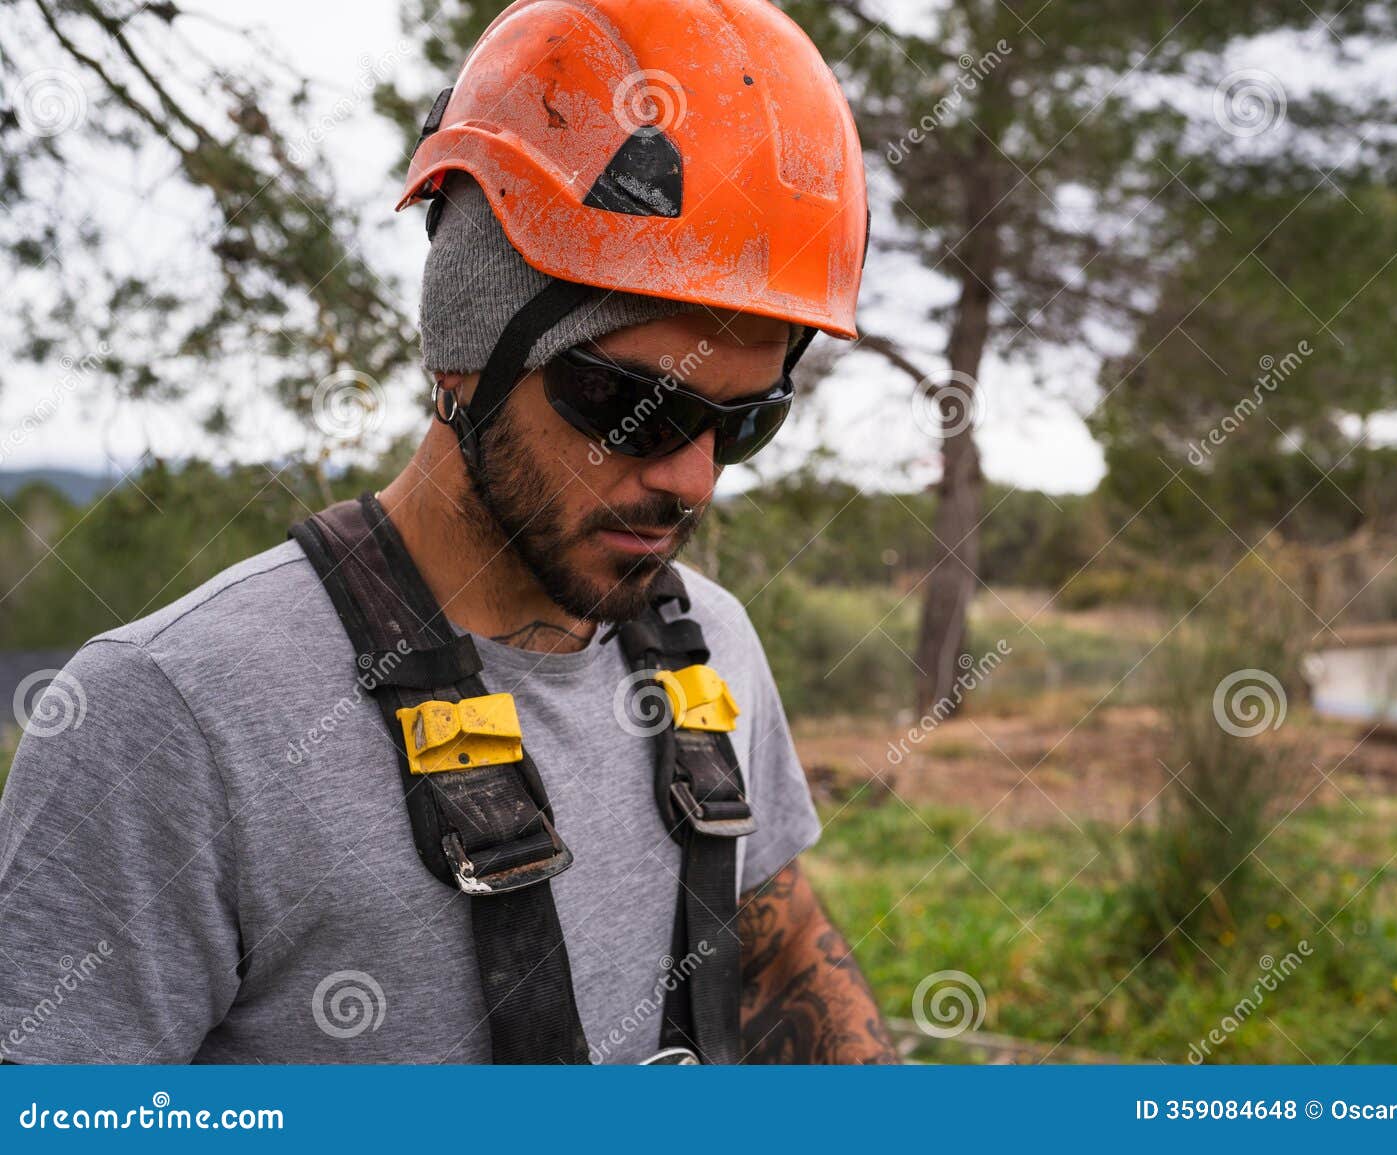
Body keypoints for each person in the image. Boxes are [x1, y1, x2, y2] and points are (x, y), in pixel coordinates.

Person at [0, 0, 894, 1064]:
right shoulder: (173, 720)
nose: (690, 476)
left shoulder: (710, 647)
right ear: (469, 346)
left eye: (745, 421)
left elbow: (781, 962)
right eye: (629, 405)